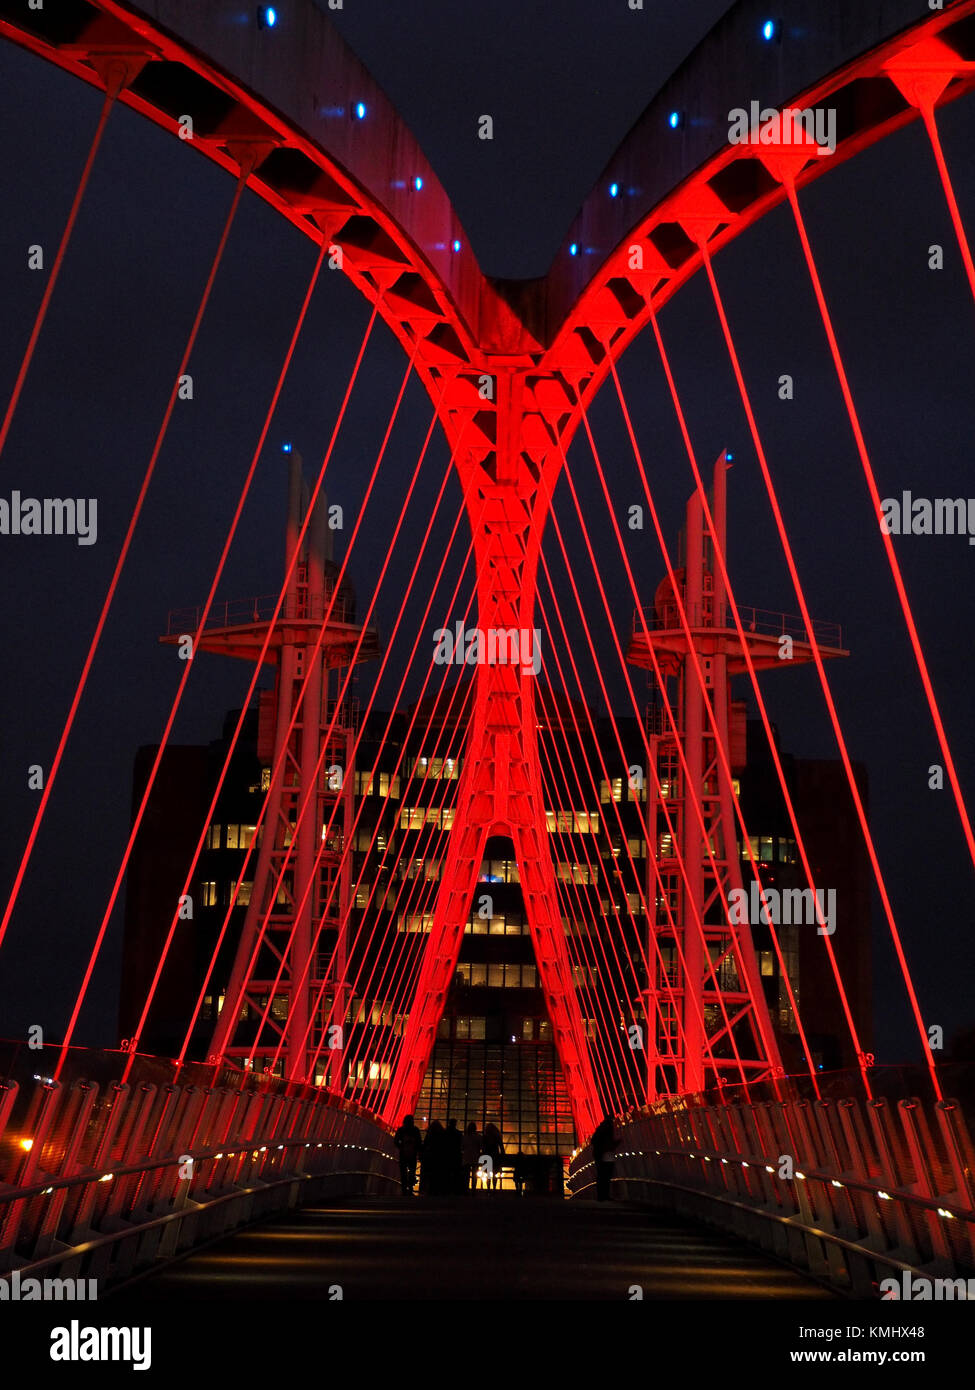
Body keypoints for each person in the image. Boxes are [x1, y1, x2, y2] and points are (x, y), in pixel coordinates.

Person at [394, 1114, 423, 1196]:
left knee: (403, 1172)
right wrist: (417, 1150)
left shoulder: (401, 1130)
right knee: (412, 1171)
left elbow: (396, 1141)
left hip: (403, 1154)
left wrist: (401, 1147)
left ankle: (404, 1189)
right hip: (412, 1154)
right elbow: (419, 1142)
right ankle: (410, 1188)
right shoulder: (415, 1130)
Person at [591, 1114, 617, 1201]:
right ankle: (604, 1196)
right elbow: (609, 1142)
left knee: (601, 1175)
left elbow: (593, 1140)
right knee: (606, 1175)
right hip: (606, 1154)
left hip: (599, 1154)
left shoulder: (600, 1128)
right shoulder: (608, 1128)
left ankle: (601, 1196)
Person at [420, 1118, 446, 1195]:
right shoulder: (442, 1135)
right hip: (439, 1158)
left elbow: (425, 1145)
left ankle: (429, 1190)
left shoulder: (429, 1135)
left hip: (430, 1157)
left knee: (429, 1175)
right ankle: (437, 1190)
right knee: (437, 1175)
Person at [481, 1121, 505, 1191]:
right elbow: (501, 1147)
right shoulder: (497, 1136)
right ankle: (494, 1188)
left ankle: (488, 1189)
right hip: (495, 1156)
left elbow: (483, 1147)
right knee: (494, 1174)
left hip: (487, 1156)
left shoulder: (485, 1136)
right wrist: (503, 1156)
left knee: (488, 1175)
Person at [444, 1118, 463, 1193]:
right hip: (456, 1155)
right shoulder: (458, 1133)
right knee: (455, 1173)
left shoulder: (445, 1132)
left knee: (447, 1173)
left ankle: (447, 1188)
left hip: (447, 1155)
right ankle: (454, 1189)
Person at [461, 1121, 481, 1192]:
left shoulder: (465, 1137)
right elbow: (480, 1147)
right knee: (474, 1175)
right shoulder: (478, 1136)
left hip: (466, 1157)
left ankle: (466, 1189)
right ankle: (473, 1189)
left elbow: (462, 1147)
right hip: (475, 1157)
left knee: (466, 1175)